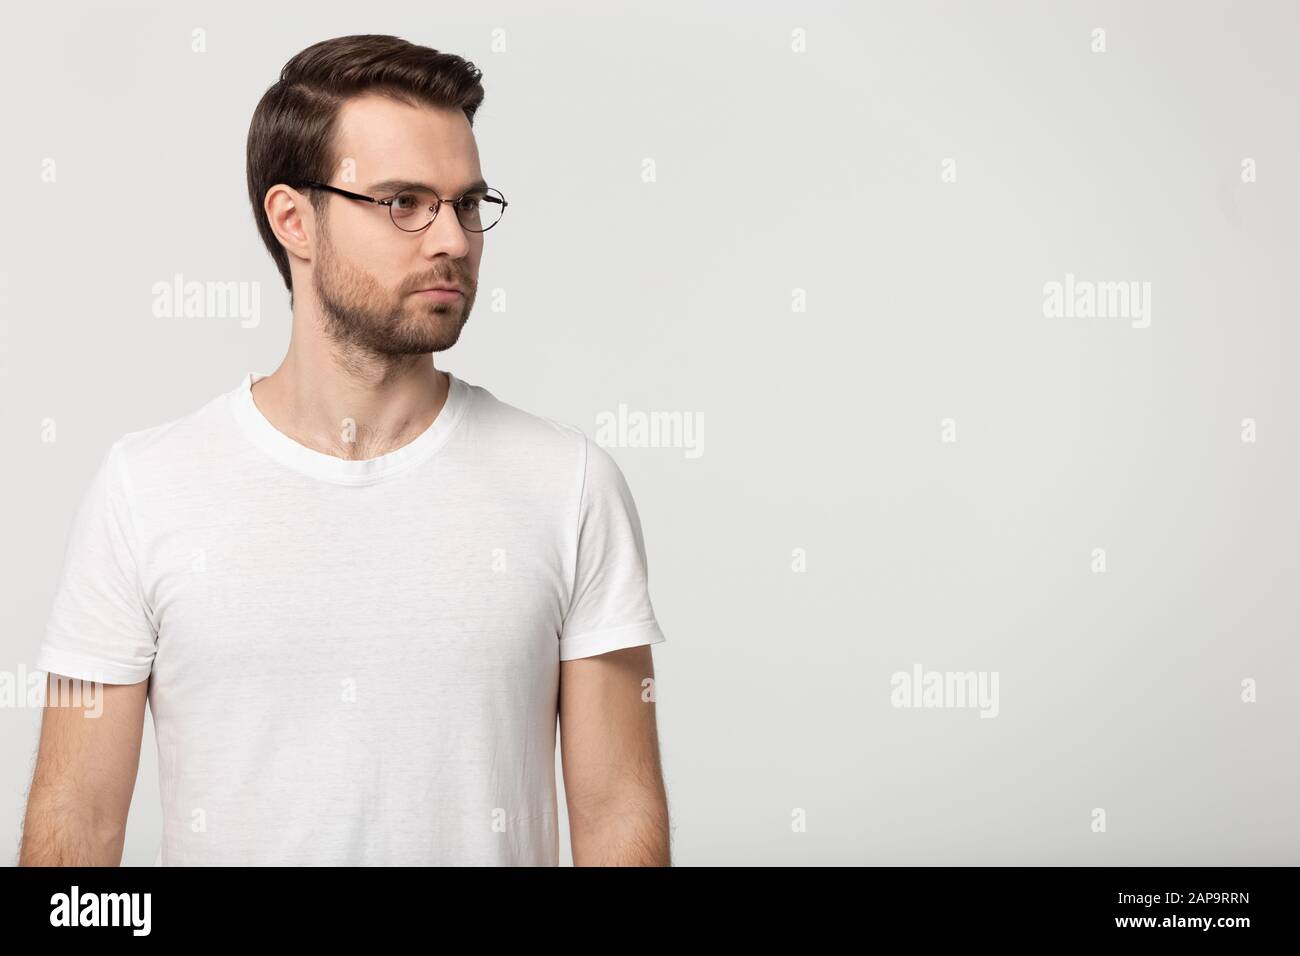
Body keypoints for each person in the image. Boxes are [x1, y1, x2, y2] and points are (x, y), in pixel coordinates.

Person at [20, 34, 670, 866]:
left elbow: (618, 817)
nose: (454, 242)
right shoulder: (142, 489)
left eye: (467, 204)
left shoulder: (571, 484)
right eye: (404, 202)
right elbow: (75, 826)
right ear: (294, 219)